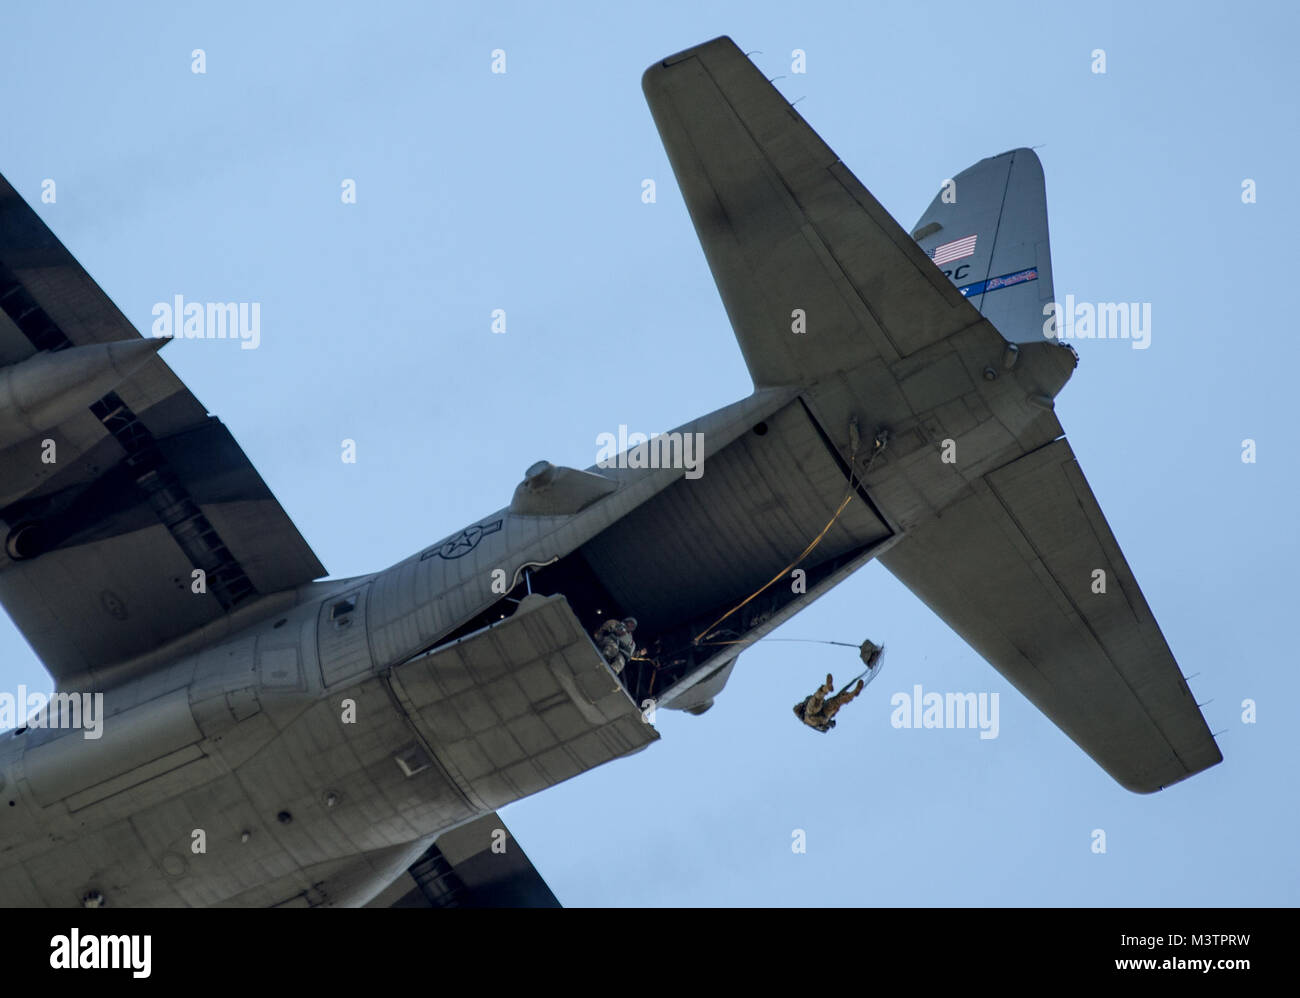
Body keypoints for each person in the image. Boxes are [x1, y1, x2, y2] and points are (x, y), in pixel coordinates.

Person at [794, 672, 866, 732]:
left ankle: (853, 693)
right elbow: (797, 710)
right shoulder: (804, 714)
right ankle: (826, 688)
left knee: (836, 701)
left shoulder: (806, 703)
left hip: (824, 716)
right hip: (812, 717)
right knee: (815, 700)